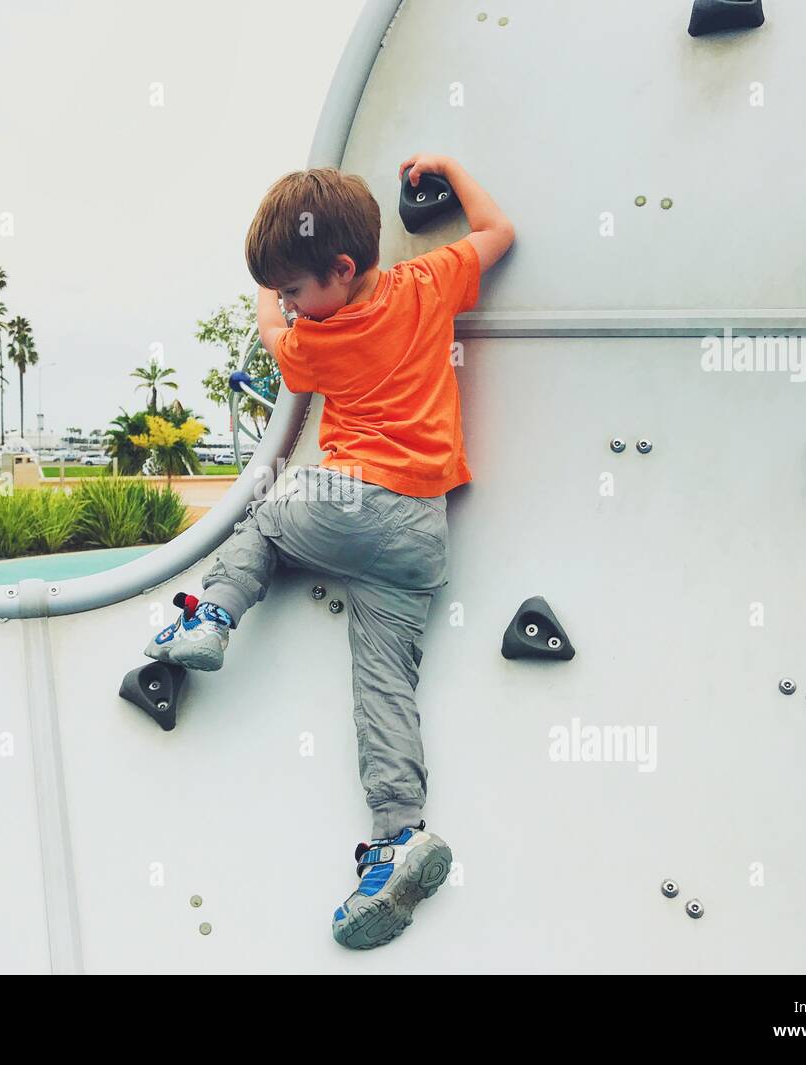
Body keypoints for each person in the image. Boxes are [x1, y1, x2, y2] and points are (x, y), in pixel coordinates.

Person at [144, 155, 514, 948]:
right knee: (385, 689)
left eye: (295, 287)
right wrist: (449, 167)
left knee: (272, 515)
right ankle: (398, 836)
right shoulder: (429, 282)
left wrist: (266, 299)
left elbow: (270, 331)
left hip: (353, 500)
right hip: (420, 532)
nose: (289, 304)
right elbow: (497, 231)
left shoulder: (317, 338)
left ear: (340, 272)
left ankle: (210, 614)